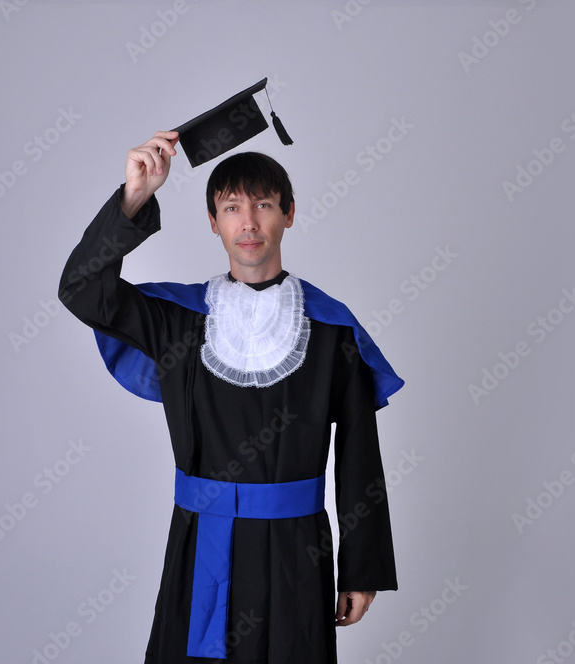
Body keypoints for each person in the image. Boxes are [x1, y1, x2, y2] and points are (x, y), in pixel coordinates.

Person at [58, 131, 403, 664]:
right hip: (202, 548)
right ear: (213, 222)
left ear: (288, 214)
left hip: (297, 552)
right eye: (232, 207)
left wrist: (361, 568)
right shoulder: (178, 322)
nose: (248, 222)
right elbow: (82, 289)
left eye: (264, 205)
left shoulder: (332, 330)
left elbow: (359, 453)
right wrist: (135, 196)